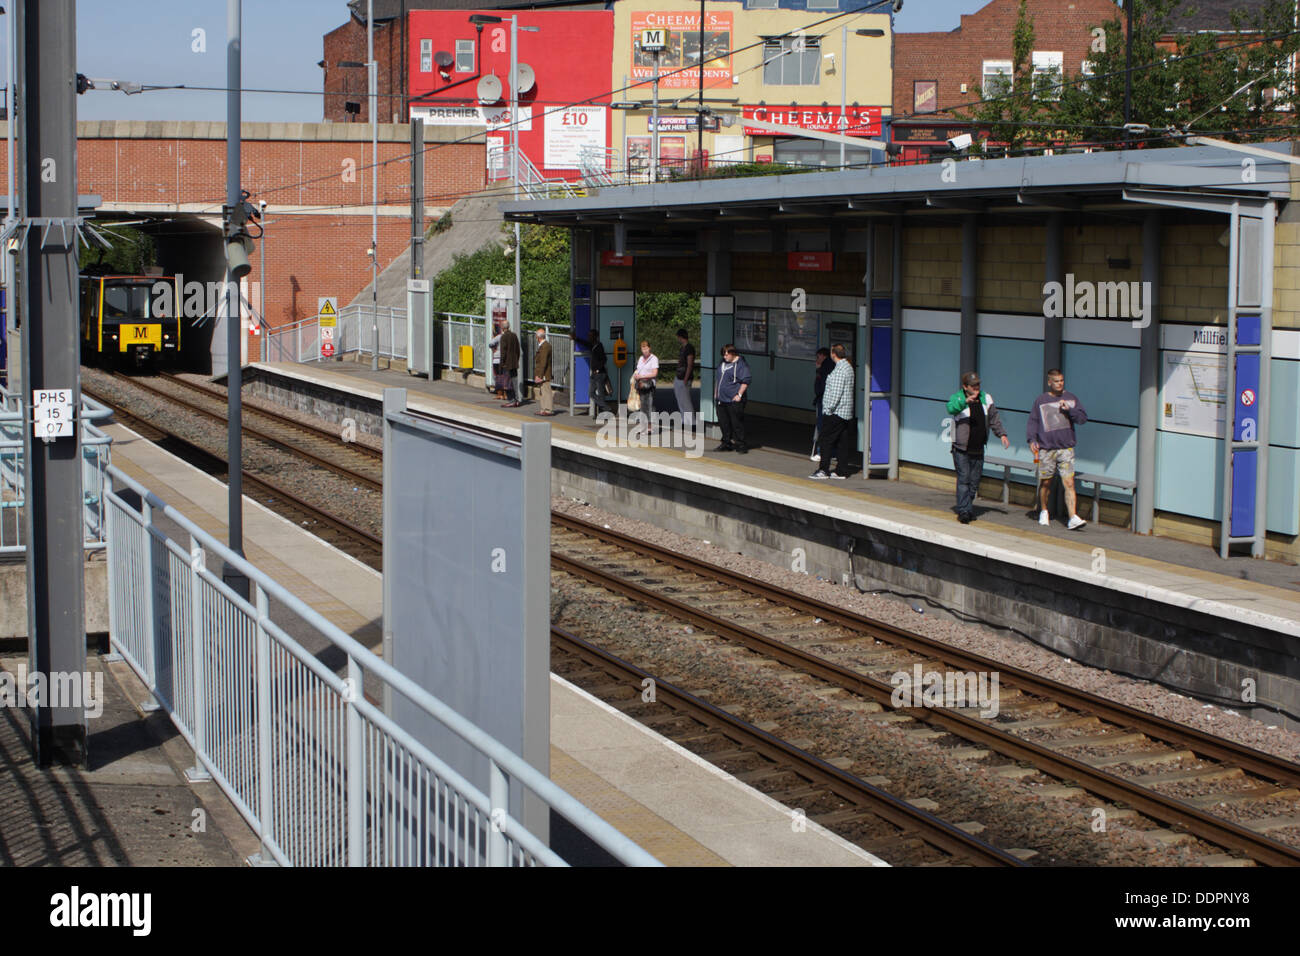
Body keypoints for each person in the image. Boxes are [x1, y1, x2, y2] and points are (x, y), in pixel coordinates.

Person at [945, 371, 1010, 523]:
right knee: (964, 480)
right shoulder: (958, 398)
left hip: (978, 447)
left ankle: (967, 507)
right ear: (965, 386)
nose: (976, 388)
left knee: (974, 483)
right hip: (961, 448)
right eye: (973, 385)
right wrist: (965, 402)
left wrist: (1002, 434)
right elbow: (951, 408)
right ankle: (964, 511)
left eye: (978, 385)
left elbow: (994, 418)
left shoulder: (986, 398)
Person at [1027, 368, 1088, 530]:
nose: (1060, 384)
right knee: (1046, 482)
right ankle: (1044, 510)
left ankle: (1072, 516)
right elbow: (1033, 421)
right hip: (1047, 449)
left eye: (1061, 381)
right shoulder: (1041, 400)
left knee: (1069, 482)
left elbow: (1082, 419)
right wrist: (1032, 439)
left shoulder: (1071, 398)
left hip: (1066, 448)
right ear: (1049, 382)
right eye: (1056, 381)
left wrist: (1070, 410)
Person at [810, 344, 855, 480]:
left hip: (835, 412)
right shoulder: (848, 367)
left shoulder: (839, 370)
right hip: (845, 412)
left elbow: (836, 393)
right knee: (842, 442)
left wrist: (828, 409)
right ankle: (841, 470)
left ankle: (823, 469)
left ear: (833, 354)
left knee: (826, 440)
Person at [714, 344, 751, 454]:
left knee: (736, 423)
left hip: (733, 400)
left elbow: (746, 380)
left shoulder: (741, 365)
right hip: (721, 399)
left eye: (726, 354)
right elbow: (719, 378)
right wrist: (716, 392)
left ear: (733, 353)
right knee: (723, 422)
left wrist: (739, 395)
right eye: (723, 354)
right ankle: (726, 443)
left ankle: (741, 444)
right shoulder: (723, 363)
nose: (724, 356)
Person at [572, 327, 610, 415]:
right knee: (591, 393)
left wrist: (597, 369)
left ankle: (604, 410)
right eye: (588, 336)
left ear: (595, 337)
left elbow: (604, 359)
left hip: (599, 374)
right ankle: (605, 407)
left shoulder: (599, 346)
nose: (589, 337)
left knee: (600, 393)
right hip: (594, 374)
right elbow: (585, 343)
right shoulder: (593, 346)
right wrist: (576, 338)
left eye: (590, 336)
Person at [673, 328, 696, 426]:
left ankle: (691, 421)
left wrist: (686, 379)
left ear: (681, 337)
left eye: (678, 337)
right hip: (679, 376)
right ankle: (684, 419)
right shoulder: (682, 348)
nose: (678, 339)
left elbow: (690, 364)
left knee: (686, 400)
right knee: (680, 399)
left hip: (684, 378)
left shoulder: (689, 348)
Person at [811, 347, 831, 461]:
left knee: (821, 426)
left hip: (823, 400)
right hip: (824, 399)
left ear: (823, 356)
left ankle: (821, 451)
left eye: (818, 357)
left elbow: (820, 386)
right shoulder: (830, 366)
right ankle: (831, 452)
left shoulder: (823, 368)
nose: (817, 359)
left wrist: (818, 370)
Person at [632, 339, 659, 418]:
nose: (645, 351)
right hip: (640, 384)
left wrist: (642, 376)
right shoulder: (640, 359)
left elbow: (655, 373)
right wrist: (636, 375)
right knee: (642, 405)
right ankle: (644, 427)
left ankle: (650, 427)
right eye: (643, 349)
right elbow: (638, 370)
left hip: (649, 385)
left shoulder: (654, 359)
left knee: (649, 405)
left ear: (649, 348)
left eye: (646, 348)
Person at [499, 323, 522, 407]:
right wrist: (516, 360)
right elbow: (518, 350)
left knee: (508, 383)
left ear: (502, 328)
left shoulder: (504, 337)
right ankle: (516, 400)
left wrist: (502, 364)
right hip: (514, 363)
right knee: (514, 381)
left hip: (507, 364)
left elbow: (503, 352)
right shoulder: (514, 335)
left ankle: (511, 400)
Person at [532, 327, 554, 416]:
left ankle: (548, 409)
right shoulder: (543, 345)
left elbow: (543, 362)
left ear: (538, 337)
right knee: (542, 391)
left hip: (544, 373)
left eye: (536, 336)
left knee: (546, 391)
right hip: (542, 373)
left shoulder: (545, 346)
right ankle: (543, 409)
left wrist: (539, 375)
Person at [488, 320, 505, 399]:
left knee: (498, 376)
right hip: (505, 359)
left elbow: (490, 344)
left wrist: (493, 349)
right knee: (505, 376)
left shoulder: (498, 337)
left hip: (497, 359)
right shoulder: (509, 336)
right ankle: (505, 394)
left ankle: (500, 394)